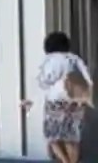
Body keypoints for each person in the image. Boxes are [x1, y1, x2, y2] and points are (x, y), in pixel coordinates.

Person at [22, 31, 92, 163]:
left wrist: (31, 98)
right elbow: (88, 80)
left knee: (52, 136)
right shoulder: (75, 59)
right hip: (75, 102)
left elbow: (45, 80)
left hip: (56, 103)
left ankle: (65, 161)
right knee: (71, 138)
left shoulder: (51, 60)